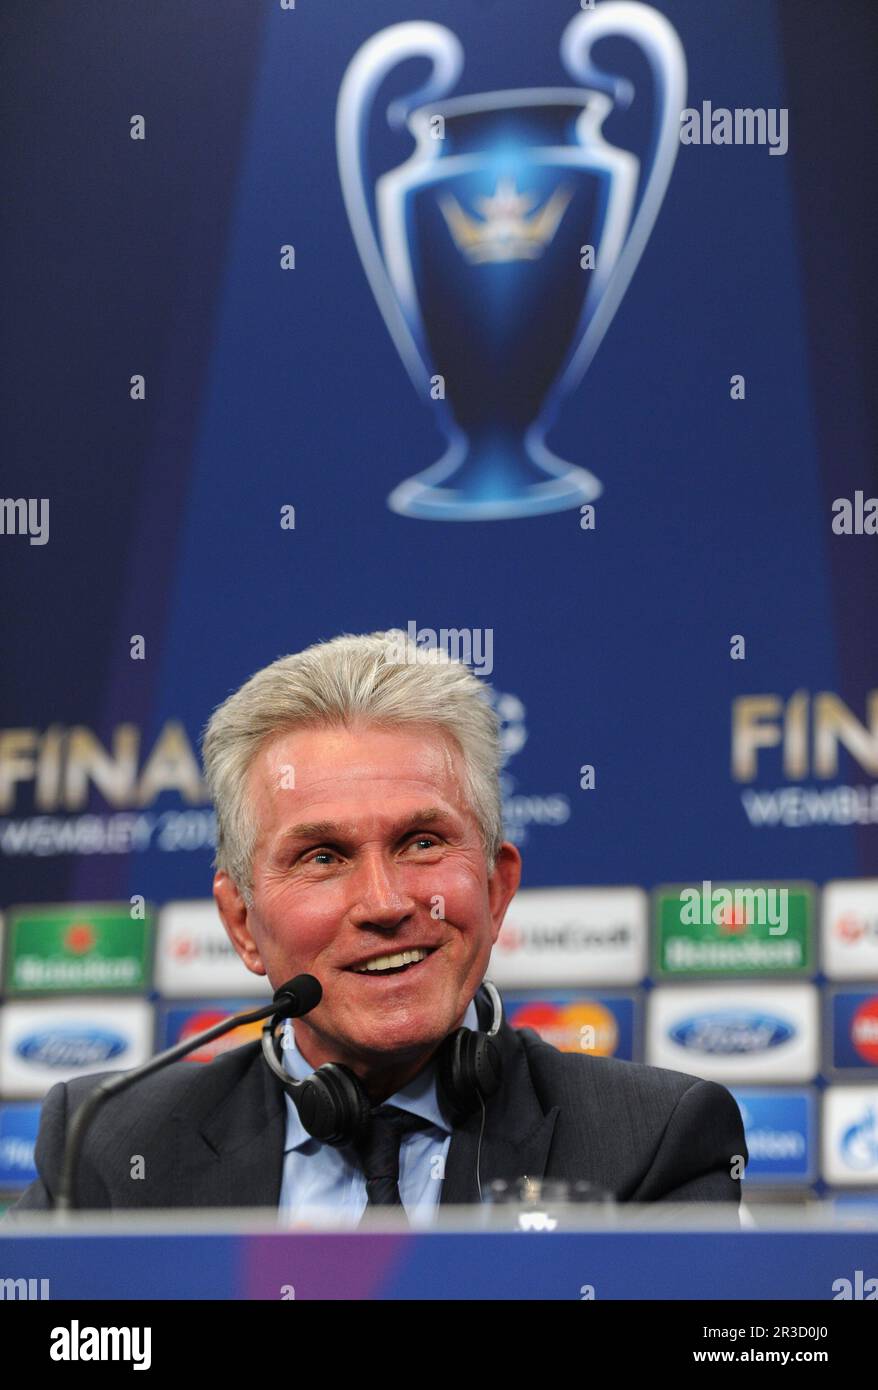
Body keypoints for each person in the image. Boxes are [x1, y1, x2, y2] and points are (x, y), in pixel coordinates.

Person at [9, 630, 747, 1220]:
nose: (386, 902)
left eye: (422, 842)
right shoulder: (105, 1145)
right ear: (241, 922)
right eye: (323, 856)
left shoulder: (652, 1140)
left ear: (496, 887)